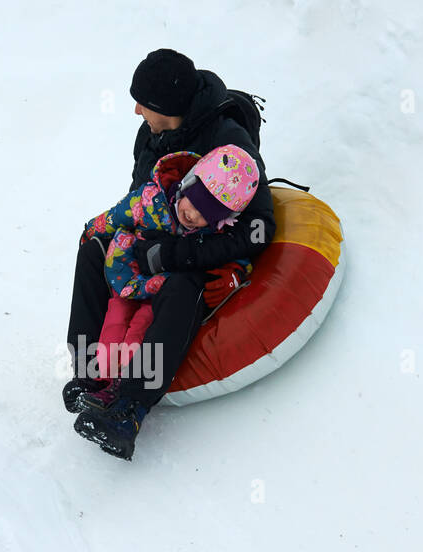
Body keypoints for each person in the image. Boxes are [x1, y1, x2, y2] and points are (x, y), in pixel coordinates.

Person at [64, 48, 276, 460]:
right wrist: (117, 235)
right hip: (157, 239)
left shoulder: (228, 140)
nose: (137, 110)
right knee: (93, 250)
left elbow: (258, 227)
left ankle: (129, 407)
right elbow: (138, 196)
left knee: (181, 287)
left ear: (169, 107)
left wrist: (174, 253)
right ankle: (91, 376)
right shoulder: (150, 134)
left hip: (198, 254)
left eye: (143, 103)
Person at [74, 144, 261, 420]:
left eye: (206, 216)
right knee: (113, 325)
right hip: (126, 282)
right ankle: (95, 380)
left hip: (157, 293)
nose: (194, 216)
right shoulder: (150, 200)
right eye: (195, 204)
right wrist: (91, 230)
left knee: (138, 333)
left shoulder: (210, 236)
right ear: (187, 185)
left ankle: (118, 389)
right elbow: (116, 215)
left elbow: (237, 257)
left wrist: (235, 276)